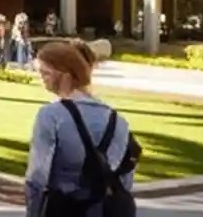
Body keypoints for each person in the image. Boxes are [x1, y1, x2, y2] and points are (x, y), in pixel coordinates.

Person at [26, 42, 140, 216]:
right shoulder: (117, 121)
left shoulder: (51, 116)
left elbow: (38, 176)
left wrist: (33, 210)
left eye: (45, 73)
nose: (42, 79)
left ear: (65, 75)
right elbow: (125, 175)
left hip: (63, 208)